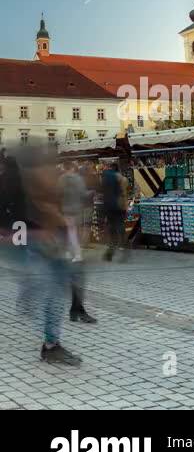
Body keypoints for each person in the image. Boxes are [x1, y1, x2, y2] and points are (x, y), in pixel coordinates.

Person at [16, 142, 81, 365]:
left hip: (50, 241)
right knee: (53, 293)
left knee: (56, 292)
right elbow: (40, 208)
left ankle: (51, 343)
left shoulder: (43, 178)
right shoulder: (30, 180)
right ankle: (51, 345)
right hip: (41, 241)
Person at [58, 160, 97, 323]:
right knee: (77, 269)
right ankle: (77, 310)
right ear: (73, 168)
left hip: (61, 224)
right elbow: (83, 195)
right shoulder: (77, 180)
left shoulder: (58, 181)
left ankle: (76, 310)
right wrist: (92, 192)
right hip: (71, 222)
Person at [102, 162, 128, 261]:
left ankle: (111, 250)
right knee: (120, 225)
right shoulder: (123, 179)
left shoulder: (106, 178)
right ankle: (123, 246)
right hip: (120, 204)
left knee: (111, 227)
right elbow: (124, 193)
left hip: (109, 205)